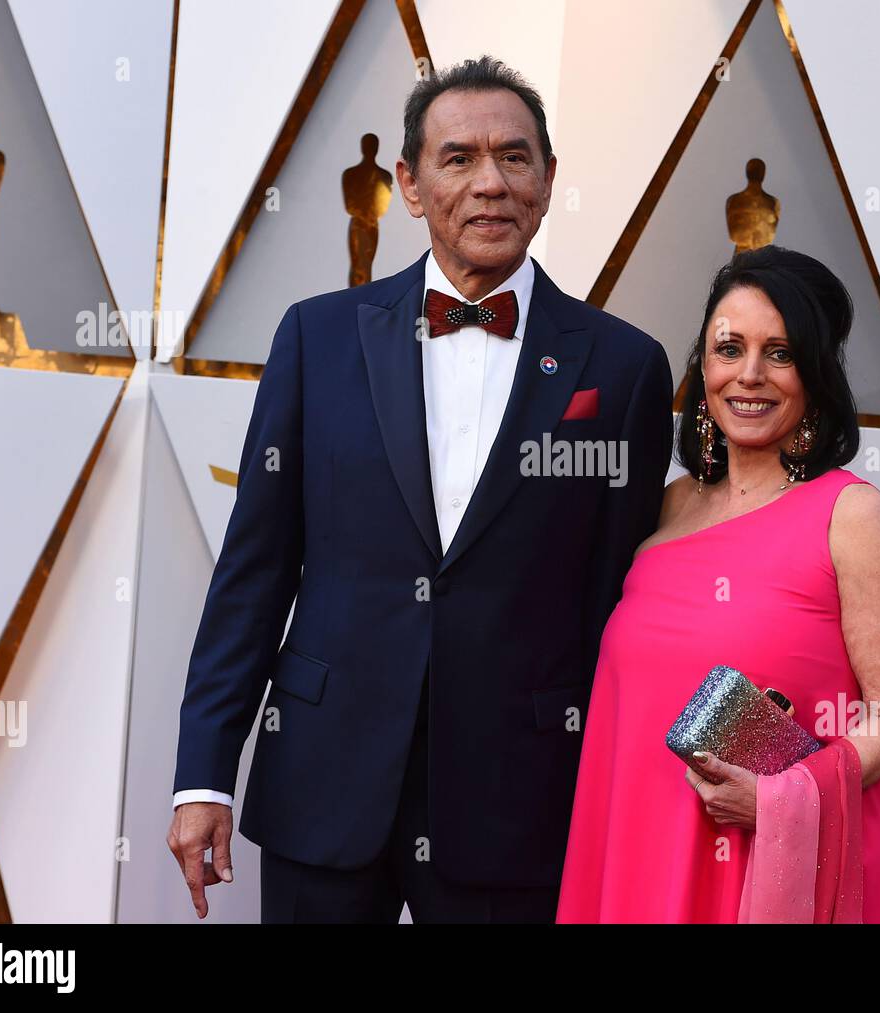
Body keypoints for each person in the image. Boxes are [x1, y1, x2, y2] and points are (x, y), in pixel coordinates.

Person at [167, 55, 673, 923]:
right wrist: (205, 771)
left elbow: (615, 607)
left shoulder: (624, 367)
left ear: (549, 182)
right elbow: (253, 575)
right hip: (323, 779)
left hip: (518, 799)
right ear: (408, 182)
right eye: (459, 158)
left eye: (516, 158)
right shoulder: (316, 339)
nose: (491, 184)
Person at [556, 245, 880, 923]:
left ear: (816, 374)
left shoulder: (853, 516)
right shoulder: (668, 507)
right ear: (704, 369)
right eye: (729, 349)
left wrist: (783, 799)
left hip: (762, 867)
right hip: (634, 852)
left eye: (780, 353)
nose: (749, 375)